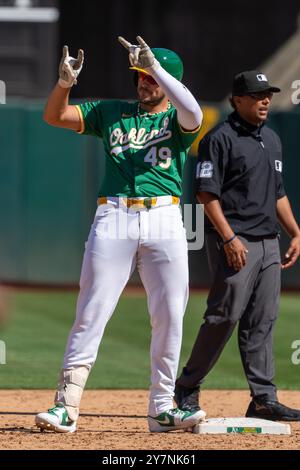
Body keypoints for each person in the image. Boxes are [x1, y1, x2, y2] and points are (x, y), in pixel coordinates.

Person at [35, 36, 206, 433]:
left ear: (169, 81)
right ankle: (66, 406)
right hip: (114, 215)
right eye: (140, 77)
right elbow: (54, 117)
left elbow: (194, 111)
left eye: (150, 78)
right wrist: (64, 84)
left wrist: (158, 68)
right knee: (91, 310)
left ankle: (163, 408)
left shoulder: (177, 120)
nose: (143, 84)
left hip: (164, 216)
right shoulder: (112, 112)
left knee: (169, 315)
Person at [174, 70, 300, 421]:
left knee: (263, 320)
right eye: (258, 95)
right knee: (223, 316)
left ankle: (263, 399)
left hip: (268, 243)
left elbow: (278, 193)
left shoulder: (271, 139)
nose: (265, 101)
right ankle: (186, 386)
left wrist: (296, 232)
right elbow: (205, 193)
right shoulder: (220, 138)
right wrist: (228, 238)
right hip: (237, 241)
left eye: (268, 95)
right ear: (238, 100)